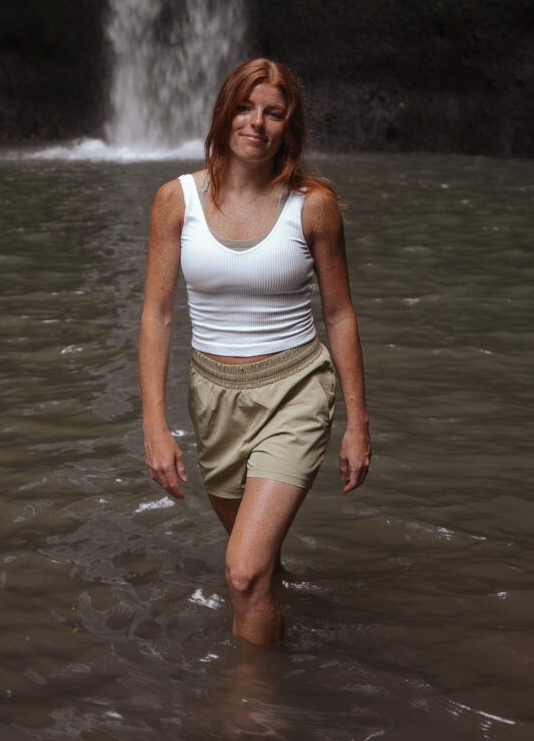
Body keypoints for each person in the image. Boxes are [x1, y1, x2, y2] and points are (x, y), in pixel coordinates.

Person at [139, 57, 371, 646]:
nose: (257, 123)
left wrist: (357, 423)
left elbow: (339, 314)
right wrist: (154, 426)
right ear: (224, 113)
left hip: (295, 388)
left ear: (288, 127)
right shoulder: (176, 200)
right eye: (245, 107)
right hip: (212, 398)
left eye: (274, 113)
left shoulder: (312, 205)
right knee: (259, 568)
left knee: (241, 575)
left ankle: (254, 712)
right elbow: (158, 315)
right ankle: (285, 612)